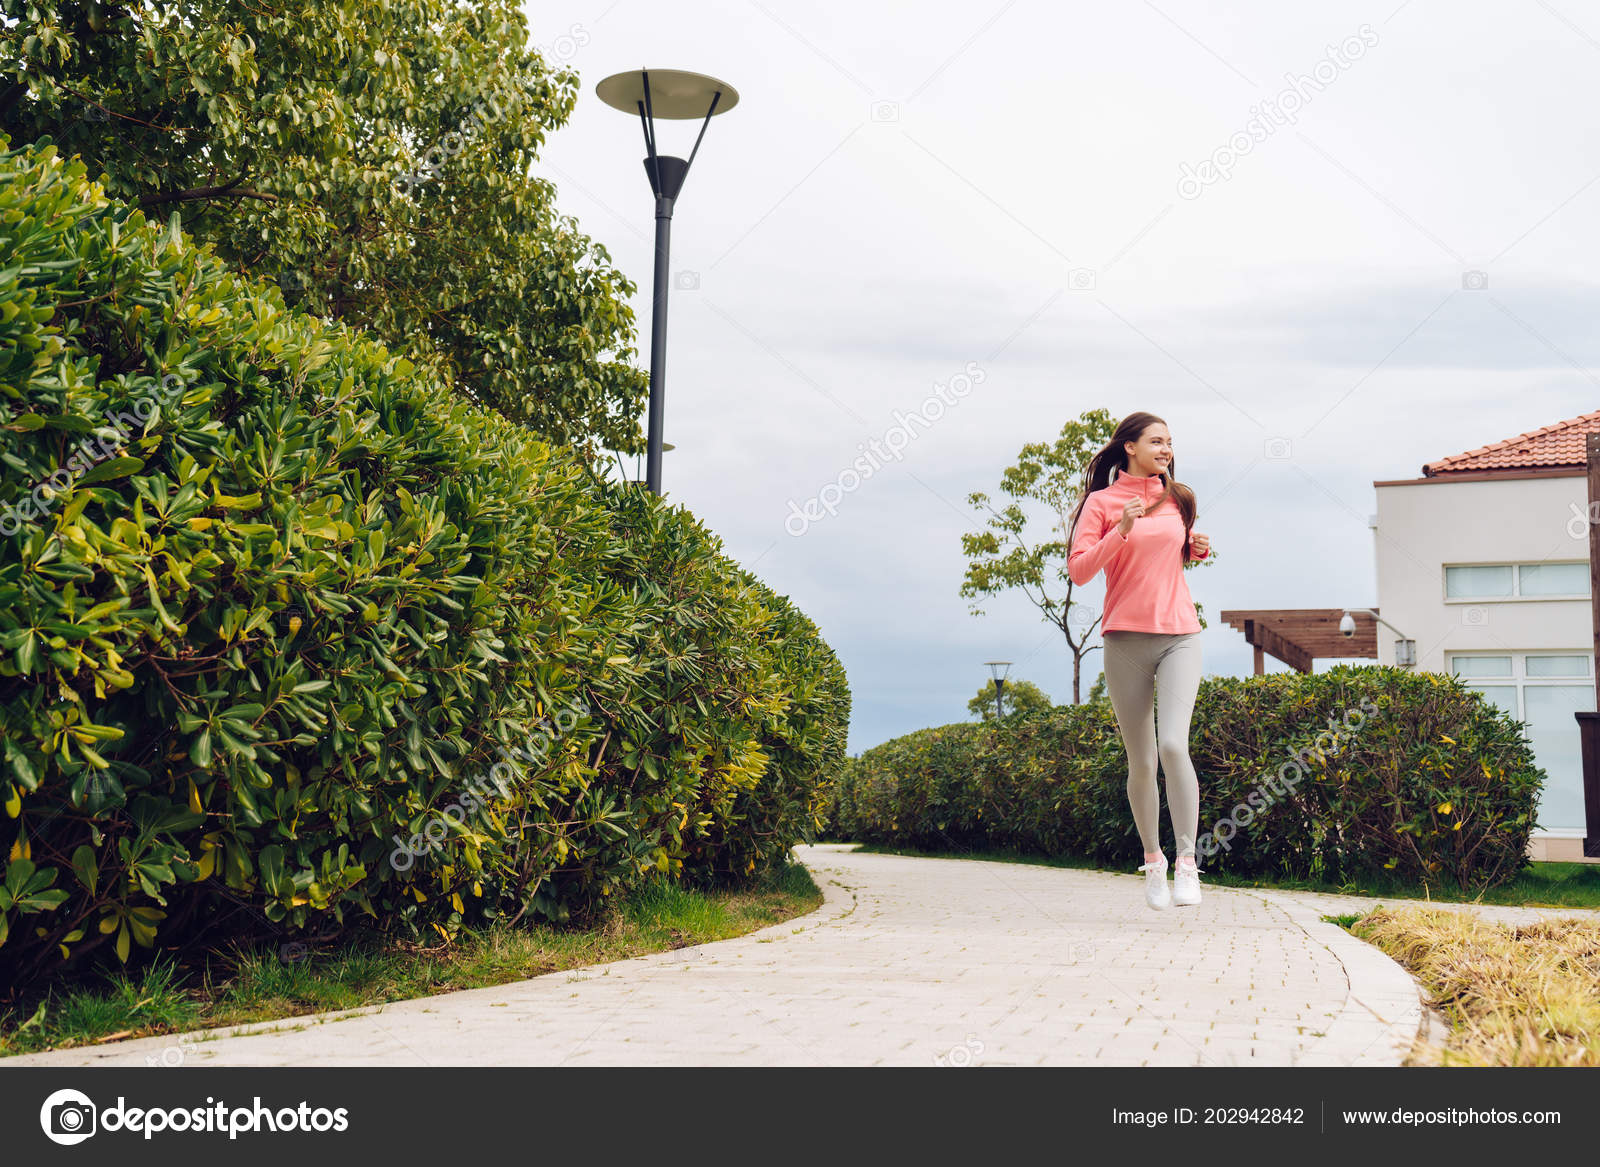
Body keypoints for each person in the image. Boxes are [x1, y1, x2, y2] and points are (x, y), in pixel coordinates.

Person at [1066, 412, 1212, 910]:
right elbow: (1080, 572)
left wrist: (1195, 548)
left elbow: (1173, 559)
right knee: (1142, 760)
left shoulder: (1180, 499)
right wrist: (1122, 528)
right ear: (1129, 447)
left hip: (1179, 636)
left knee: (1173, 744)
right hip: (1125, 641)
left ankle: (1187, 864)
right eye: (1157, 441)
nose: (1167, 449)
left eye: (1170, 441)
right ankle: (1153, 862)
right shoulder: (1101, 504)